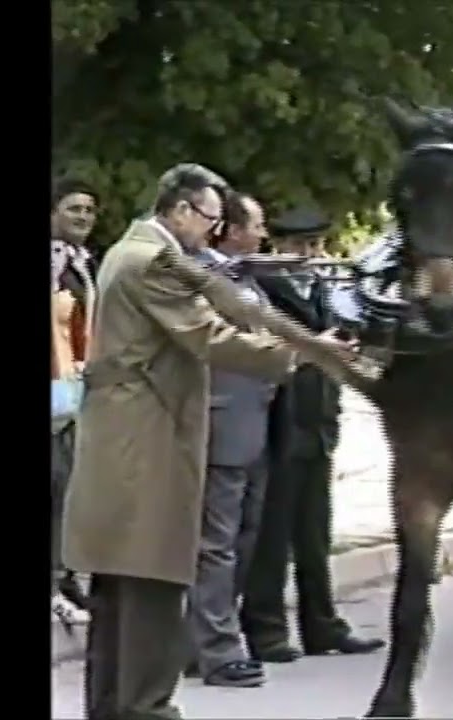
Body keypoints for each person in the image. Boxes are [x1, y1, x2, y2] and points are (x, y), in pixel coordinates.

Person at [60, 168, 356, 720]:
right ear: (180, 211)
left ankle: (114, 707)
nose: (213, 232)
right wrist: (306, 355)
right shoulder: (151, 261)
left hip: (130, 439)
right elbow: (210, 334)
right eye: (209, 219)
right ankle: (144, 707)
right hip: (143, 441)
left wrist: (309, 341)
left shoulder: (141, 247)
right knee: (151, 577)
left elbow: (232, 300)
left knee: (121, 587)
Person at [242, 208, 385, 663]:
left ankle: (321, 624)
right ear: (278, 247)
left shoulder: (324, 289)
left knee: (314, 532)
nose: (311, 256)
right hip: (279, 419)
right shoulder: (261, 289)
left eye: (317, 246)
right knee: (273, 532)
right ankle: (265, 628)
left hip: (319, 418)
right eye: (301, 247)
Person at [184, 191, 278, 688]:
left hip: (251, 425)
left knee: (240, 537)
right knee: (217, 543)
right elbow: (224, 342)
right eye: (255, 224)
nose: (263, 234)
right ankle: (217, 650)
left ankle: (200, 641)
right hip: (221, 424)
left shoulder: (242, 276)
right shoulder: (203, 276)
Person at [51, 176, 98, 626]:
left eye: (88, 210)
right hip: (55, 385)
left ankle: (65, 577)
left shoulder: (84, 264)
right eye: (73, 208)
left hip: (76, 388)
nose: (82, 217)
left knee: (71, 487)